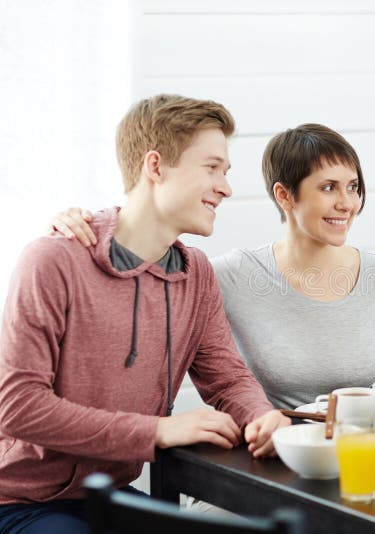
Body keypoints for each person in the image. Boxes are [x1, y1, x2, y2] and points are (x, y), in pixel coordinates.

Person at [0, 94, 289, 533]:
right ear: (155, 167)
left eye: (225, 172)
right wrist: (155, 430)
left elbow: (227, 378)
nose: (226, 187)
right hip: (19, 500)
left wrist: (261, 416)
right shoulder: (53, 261)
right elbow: (17, 407)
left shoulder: (197, 275)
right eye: (212, 168)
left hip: (109, 496)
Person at [48, 124, 375, 410]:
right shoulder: (229, 276)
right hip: (260, 460)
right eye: (328, 188)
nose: (347, 203)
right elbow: (139, 278)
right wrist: (89, 226)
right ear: (285, 195)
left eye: (353, 186)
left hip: (357, 456)